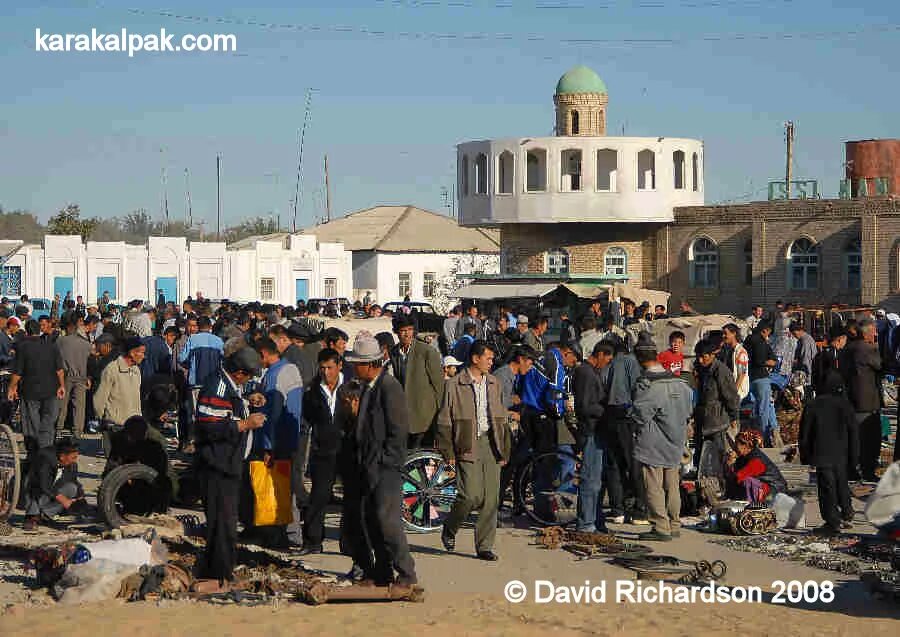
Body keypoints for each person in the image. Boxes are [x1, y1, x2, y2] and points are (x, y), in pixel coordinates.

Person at [345, 334, 418, 586]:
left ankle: (406, 574)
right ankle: (381, 572)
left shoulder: (389, 387)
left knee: (388, 522)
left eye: (358, 363)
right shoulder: (368, 387)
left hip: (385, 467)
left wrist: (385, 462)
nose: (354, 368)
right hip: (369, 464)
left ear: (370, 364)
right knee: (371, 521)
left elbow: (398, 431)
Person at [194, 347, 267, 589]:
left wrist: (248, 400)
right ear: (238, 373)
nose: (248, 381)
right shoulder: (217, 386)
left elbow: (228, 410)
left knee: (225, 521)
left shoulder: (230, 385)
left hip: (229, 464)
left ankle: (218, 568)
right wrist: (246, 424)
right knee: (222, 523)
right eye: (247, 376)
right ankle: (219, 573)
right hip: (218, 465)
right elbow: (210, 426)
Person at [438, 340, 511, 561]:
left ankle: (484, 546)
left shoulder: (494, 383)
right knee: (469, 495)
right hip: (466, 441)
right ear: (475, 358)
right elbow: (444, 421)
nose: (491, 362)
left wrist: (504, 448)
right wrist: (447, 452)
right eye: (488, 358)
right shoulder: (454, 385)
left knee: (491, 498)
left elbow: (501, 417)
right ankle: (450, 528)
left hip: (492, 442)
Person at [631, 339, 693, 541]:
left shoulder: (648, 385)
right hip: (676, 441)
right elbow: (687, 413)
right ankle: (674, 524)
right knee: (672, 484)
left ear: (639, 359)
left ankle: (660, 526)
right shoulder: (682, 384)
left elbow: (640, 415)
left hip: (653, 444)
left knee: (653, 485)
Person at [246, 337, 303, 547]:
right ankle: (292, 533)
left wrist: (269, 447)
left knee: (275, 490)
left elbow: (274, 414)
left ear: (263, 354)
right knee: (287, 488)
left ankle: (281, 535)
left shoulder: (274, 375)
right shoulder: (291, 369)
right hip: (291, 437)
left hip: (276, 441)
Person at [299, 348, 346, 554]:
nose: (326, 372)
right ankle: (312, 541)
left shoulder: (352, 386)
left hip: (348, 450)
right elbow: (307, 420)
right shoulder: (312, 391)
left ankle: (350, 544)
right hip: (322, 451)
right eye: (323, 368)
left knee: (352, 499)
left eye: (330, 368)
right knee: (318, 496)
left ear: (339, 366)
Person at [800, 370, 855, 534]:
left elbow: (805, 433)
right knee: (841, 482)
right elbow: (854, 433)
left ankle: (833, 521)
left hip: (821, 452)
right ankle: (846, 511)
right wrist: (854, 457)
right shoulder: (845, 405)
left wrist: (805, 455)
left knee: (827, 488)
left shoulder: (813, 404)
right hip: (841, 452)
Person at [8, 320, 65, 465]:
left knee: (31, 425)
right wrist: (62, 385)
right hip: (51, 390)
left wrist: (12, 387)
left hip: (30, 391)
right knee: (48, 422)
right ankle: (47, 453)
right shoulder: (51, 345)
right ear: (40, 330)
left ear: (26, 332)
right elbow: (59, 369)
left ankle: (34, 455)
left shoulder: (23, 347)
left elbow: (18, 372)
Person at [573, 341, 614, 532]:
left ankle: (594, 520)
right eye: (607, 359)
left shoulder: (592, 372)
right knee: (590, 479)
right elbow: (584, 406)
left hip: (597, 431)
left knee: (596, 480)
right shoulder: (585, 372)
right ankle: (586, 523)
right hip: (590, 431)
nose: (607, 364)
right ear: (600, 354)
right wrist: (606, 410)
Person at [693, 338, 740, 505]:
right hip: (703, 424)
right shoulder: (702, 369)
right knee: (701, 464)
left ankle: (722, 494)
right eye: (698, 356)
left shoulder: (721, 371)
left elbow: (732, 397)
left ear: (712, 355)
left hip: (718, 424)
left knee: (720, 463)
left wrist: (734, 417)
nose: (700, 360)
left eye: (703, 356)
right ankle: (704, 497)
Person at [605, 339, 646, 524]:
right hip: (627, 417)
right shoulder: (630, 361)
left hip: (610, 416)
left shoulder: (609, 364)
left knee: (614, 465)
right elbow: (638, 389)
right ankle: (639, 511)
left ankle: (617, 510)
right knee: (633, 464)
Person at [389, 314, 444, 450]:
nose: (407, 334)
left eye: (409, 329)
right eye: (403, 330)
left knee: (423, 455)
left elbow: (439, 385)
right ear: (396, 332)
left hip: (425, 415)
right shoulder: (394, 352)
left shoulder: (426, 351)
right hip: (403, 415)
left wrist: (440, 413)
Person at [840, 319, 882, 481]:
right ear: (866, 334)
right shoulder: (868, 349)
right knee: (870, 439)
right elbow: (880, 366)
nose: (876, 334)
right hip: (867, 401)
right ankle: (868, 471)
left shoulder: (847, 349)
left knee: (853, 438)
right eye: (873, 331)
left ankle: (851, 469)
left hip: (850, 399)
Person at [23, 439, 86, 531]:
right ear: (62, 457)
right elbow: (44, 485)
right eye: (73, 457)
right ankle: (31, 516)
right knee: (36, 488)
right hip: (33, 489)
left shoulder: (72, 465)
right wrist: (64, 500)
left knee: (72, 488)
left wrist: (81, 499)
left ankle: (45, 515)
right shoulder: (45, 459)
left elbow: (74, 481)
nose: (75, 461)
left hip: (51, 491)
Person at [93, 336, 145, 444]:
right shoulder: (111, 369)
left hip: (133, 424)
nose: (143, 356)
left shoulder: (136, 371)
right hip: (115, 424)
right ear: (132, 353)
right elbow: (100, 398)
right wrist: (101, 418)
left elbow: (137, 398)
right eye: (141, 352)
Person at [55, 312, 93, 440]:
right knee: (79, 406)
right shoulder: (86, 344)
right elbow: (90, 361)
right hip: (81, 376)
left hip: (65, 377)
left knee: (62, 404)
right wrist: (88, 377)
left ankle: (58, 428)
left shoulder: (60, 342)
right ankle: (77, 431)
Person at [726, 430, 787, 505]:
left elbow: (738, 477)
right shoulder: (744, 456)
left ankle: (753, 505)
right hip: (767, 487)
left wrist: (730, 465)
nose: (734, 447)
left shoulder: (756, 461)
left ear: (746, 446)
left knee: (747, 481)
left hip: (775, 491)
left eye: (737, 444)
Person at [744, 320, 779, 445]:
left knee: (767, 405)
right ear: (765, 330)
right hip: (761, 377)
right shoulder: (761, 342)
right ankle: (763, 436)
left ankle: (775, 430)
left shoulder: (747, 340)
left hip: (749, 378)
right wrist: (771, 362)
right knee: (764, 408)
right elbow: (763, 360)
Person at [812, 326, 846, 393]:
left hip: (820, 391)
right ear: (840, 339)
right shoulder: (835, 354)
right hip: (831, 392)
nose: (845, 342)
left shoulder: (821, 353)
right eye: (845, 339)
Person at [722, 323, 750, 402]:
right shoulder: (728, 350)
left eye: (725, 333)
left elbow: (741, 374)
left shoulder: (741, 352)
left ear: (734, 333)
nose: (723, 336)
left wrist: (734, 393)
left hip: (736, 391)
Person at [789, 321, 818, 388]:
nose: (794, 336)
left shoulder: (805, 341)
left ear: (800, 331)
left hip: (808, 374)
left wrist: (806, 376)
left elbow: (806, 360)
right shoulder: (803, 339)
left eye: (794, 333)